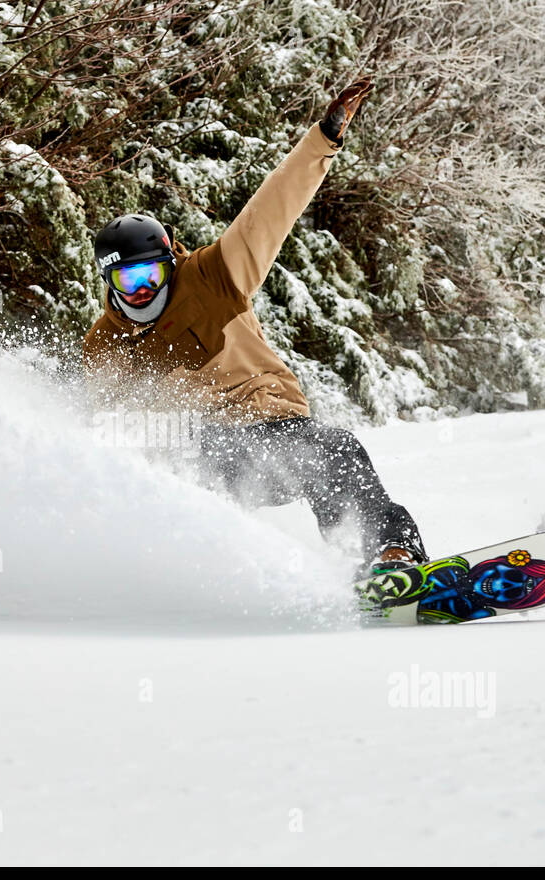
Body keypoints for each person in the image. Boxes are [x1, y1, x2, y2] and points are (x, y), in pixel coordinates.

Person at [83, 79, 427, 580]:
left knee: (337, 451)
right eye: (127, 280)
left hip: (275, 428)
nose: (140, 291)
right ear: (108, 282)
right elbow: (107, 421)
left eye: (150, 275)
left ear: (169, 262)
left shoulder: (212, 277)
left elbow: (268, 213)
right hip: (201, 449)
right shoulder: (105, 342)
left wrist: (323, 139)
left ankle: (386, 556)